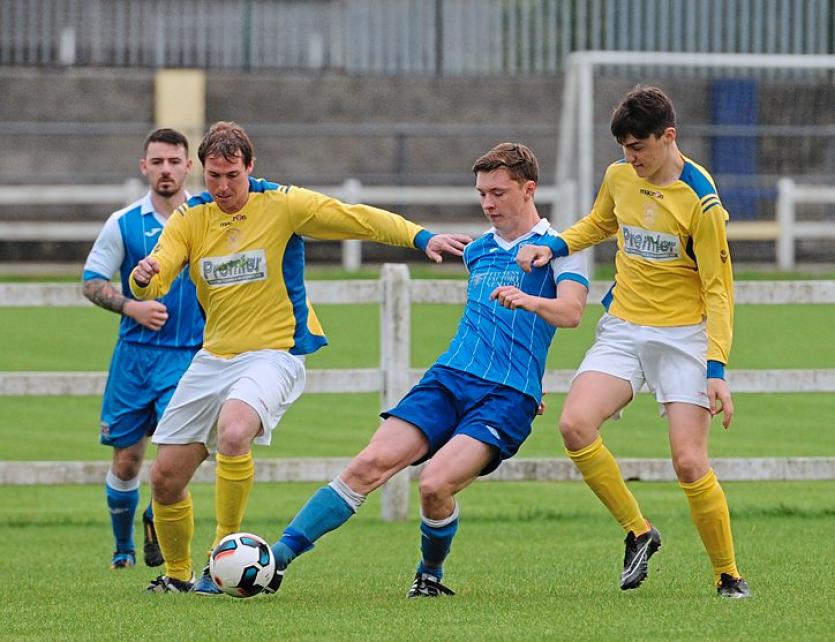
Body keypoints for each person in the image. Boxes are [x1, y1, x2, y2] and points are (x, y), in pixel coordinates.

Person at [129, 121, 471, 594]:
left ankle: (221, 555)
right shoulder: (191, 217)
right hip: (213, 358)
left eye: (232, 175)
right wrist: (145, 277)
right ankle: (176, 575)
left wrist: (421, 238)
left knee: (234, 430)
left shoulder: (284, 204)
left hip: (274, 352)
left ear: (251, 167)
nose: (223, 186)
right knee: (165, 478)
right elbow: (160, 270)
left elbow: (358, 218)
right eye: (213, 176)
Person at [265, 142, 589, 598]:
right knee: (369, 463)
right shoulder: (477, 251)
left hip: (507, 396)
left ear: (528, 188)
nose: (488, 203)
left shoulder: (561, 249)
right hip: (449, 378)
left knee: (435, 484)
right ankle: (274, 560)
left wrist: (530, 301)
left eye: (498, 192)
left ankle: (429, 574)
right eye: (482, 193)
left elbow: (572, 313)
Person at [516, 85, 751, 599]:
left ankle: (728, 575)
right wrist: (551, 245)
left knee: (689, 463)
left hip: (684, 338)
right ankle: (639, 531)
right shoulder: (619, 177)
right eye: (624, 148)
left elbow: (718, 289)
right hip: (623, 328)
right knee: (575, 426)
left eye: (639, 147)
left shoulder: (702, 201)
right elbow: (601, 223)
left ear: (669, 137)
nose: (631, 158)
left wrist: (716, 368)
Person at [82, 128, 203, 570]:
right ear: (144, 167)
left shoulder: (206, 216)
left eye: (174, 161)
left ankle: (159, 517)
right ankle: (123, 549)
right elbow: (91, 281)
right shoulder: (124, 222)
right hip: (134, 356)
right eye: (158, 162)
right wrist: (131, 307)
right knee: (128, 458)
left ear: (188, 166)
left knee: (177, 457)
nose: (166, 170)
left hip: (189, 355)